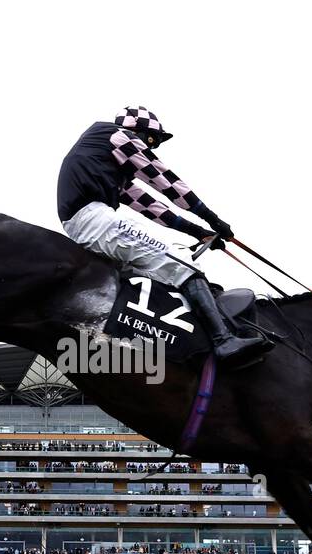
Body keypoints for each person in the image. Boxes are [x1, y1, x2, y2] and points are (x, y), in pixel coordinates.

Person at [57, 107, 265, 366]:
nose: (150, 147)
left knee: (155, 274)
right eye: (152, 140)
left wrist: (200, 233)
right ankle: (223, 340)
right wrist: (213, 218)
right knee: (182, 263)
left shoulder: (108, 166)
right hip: (96, 219)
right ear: (139, 131)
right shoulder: (117, 135)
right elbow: (166, 181)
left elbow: (152, 208)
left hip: (85, 225)